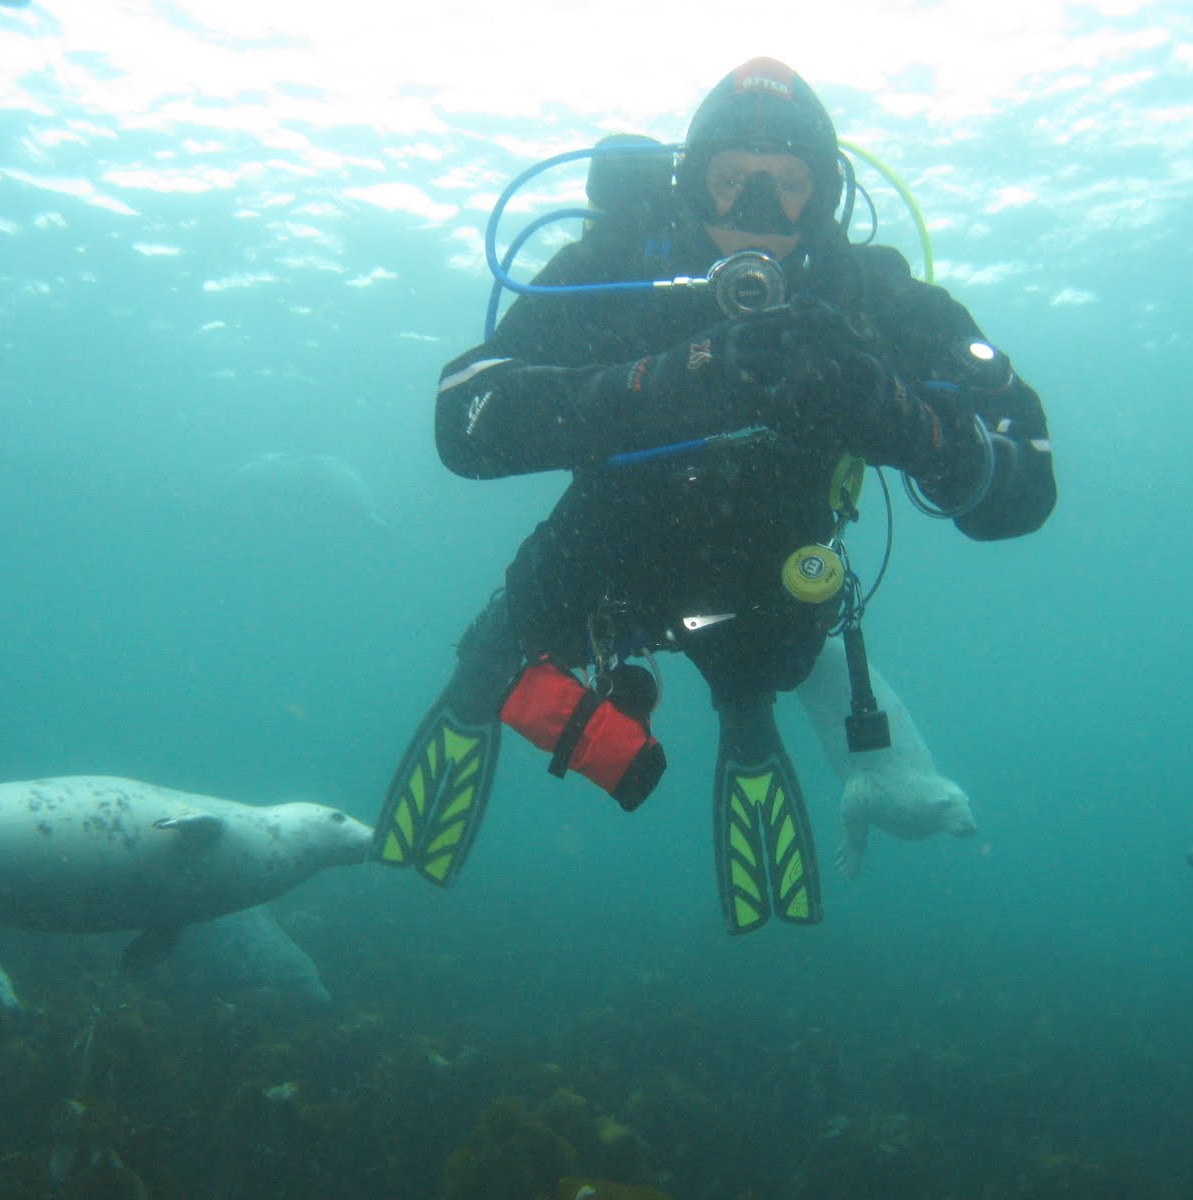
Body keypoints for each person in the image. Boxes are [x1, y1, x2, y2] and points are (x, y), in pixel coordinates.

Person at [373, 58, 1055, 933]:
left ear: (829, 197)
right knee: (500, 648)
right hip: (601, 556)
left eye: (789, 186)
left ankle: (746, 725)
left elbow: (1024, 485)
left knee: (757, 682)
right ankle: (478, 707)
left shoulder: (872, 299)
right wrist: (665, 380)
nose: (760, 215)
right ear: (689, 186)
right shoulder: (619, 262)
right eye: (733, 183)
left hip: (770, 586)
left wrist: (898, 418)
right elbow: (466, 422)